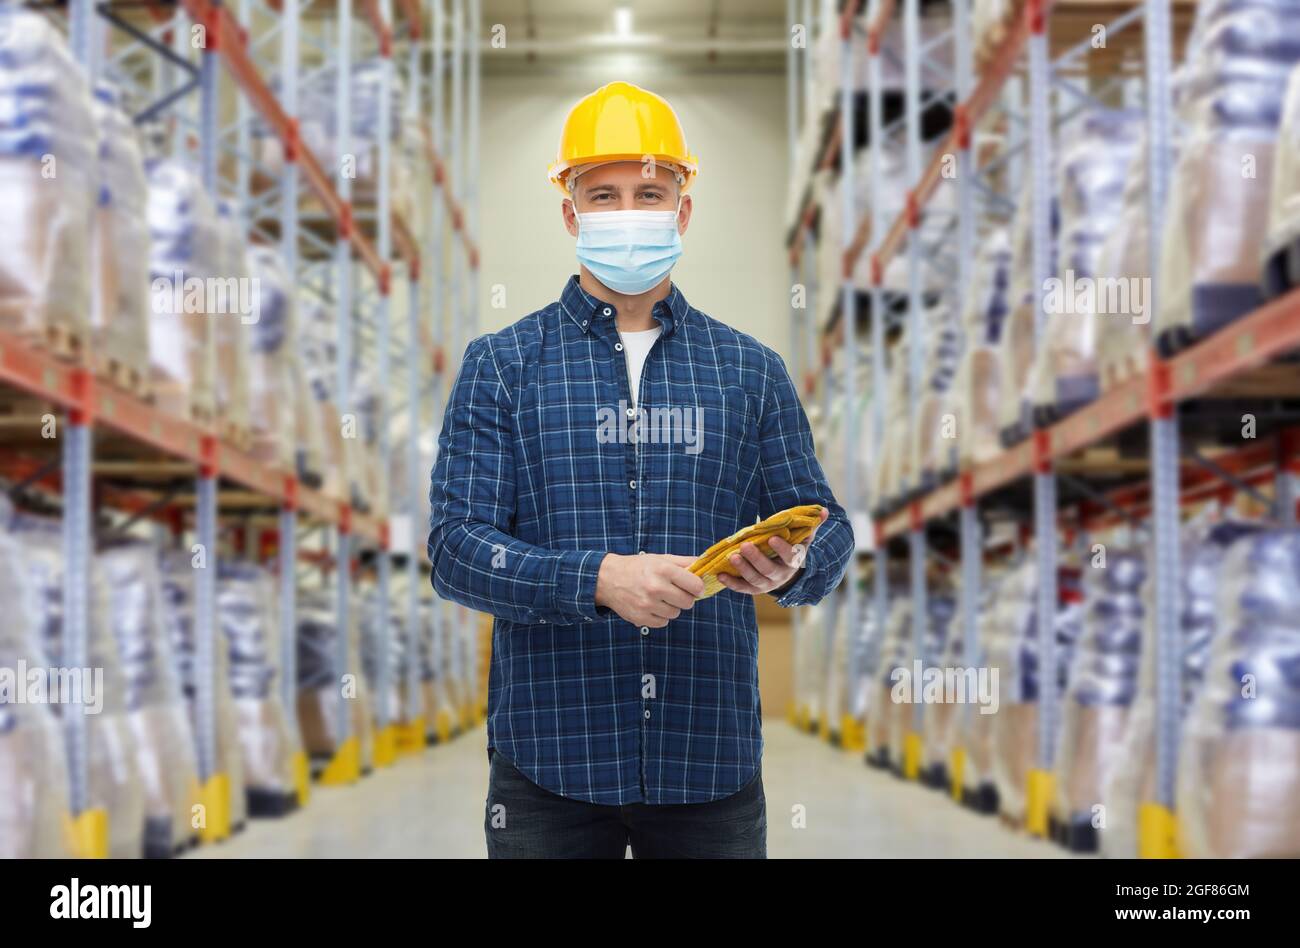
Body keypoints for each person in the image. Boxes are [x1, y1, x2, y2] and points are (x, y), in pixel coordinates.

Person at [427, 81, 852, 858]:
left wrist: (791, 566)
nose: (628, 212)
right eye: (604, 194)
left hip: (709, 762)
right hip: (550, 763)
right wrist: (596, 580)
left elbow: (828, 527)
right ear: (570, 213)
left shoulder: (750, 371)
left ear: (683, 210)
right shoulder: (501, 367)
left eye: (649, 193)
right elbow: (456, 550)